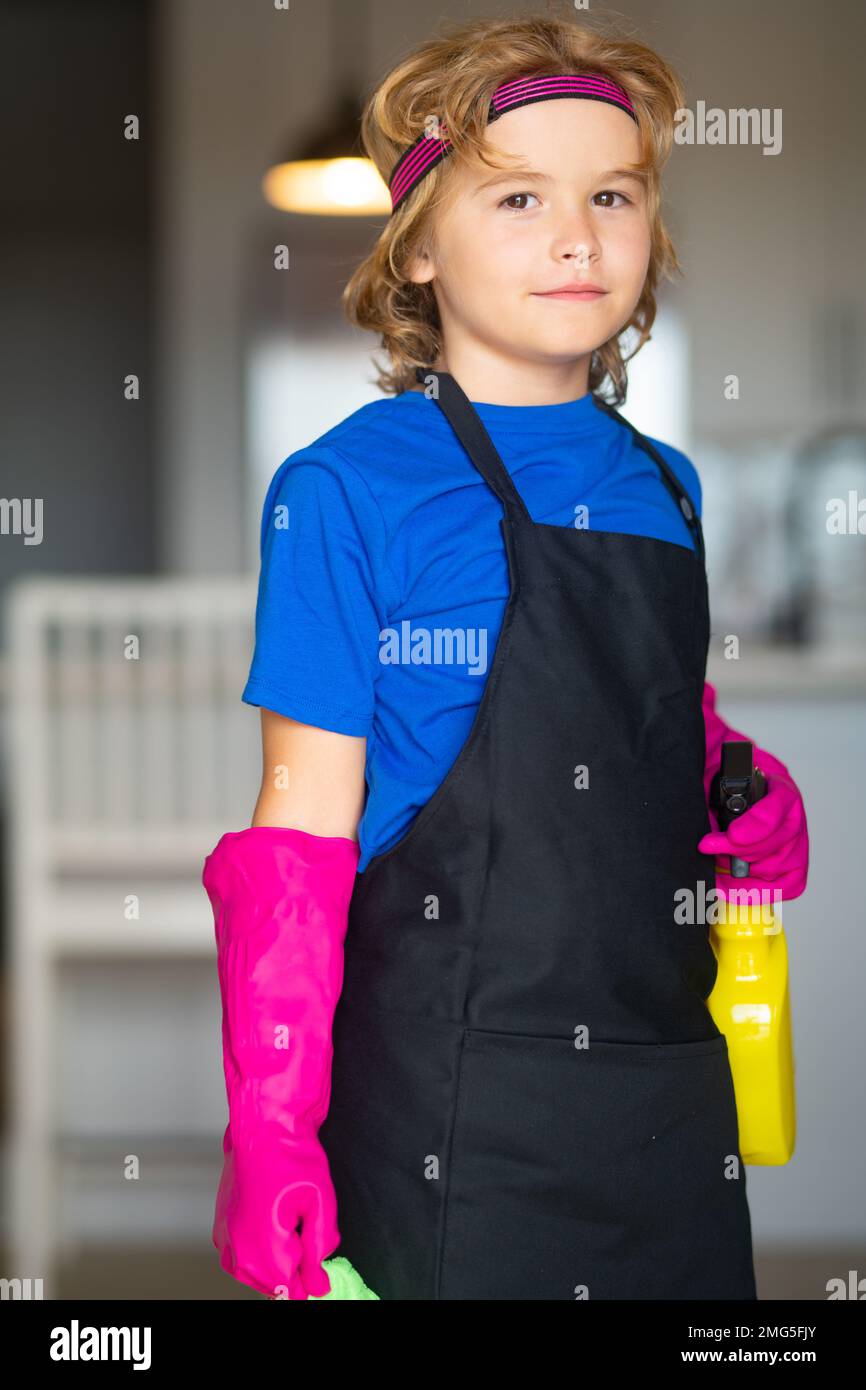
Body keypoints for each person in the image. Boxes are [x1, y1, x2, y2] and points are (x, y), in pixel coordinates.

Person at [203, 13, 809, 1302]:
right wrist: (269, 1123)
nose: (578, 234)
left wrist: (735, 782)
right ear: (418, 247)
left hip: (665, 1091)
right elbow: (299, 829)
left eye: (613, 193)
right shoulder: (348, 489)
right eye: (520, 195)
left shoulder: (668, 483)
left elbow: (646, 726)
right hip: (452, 1104)